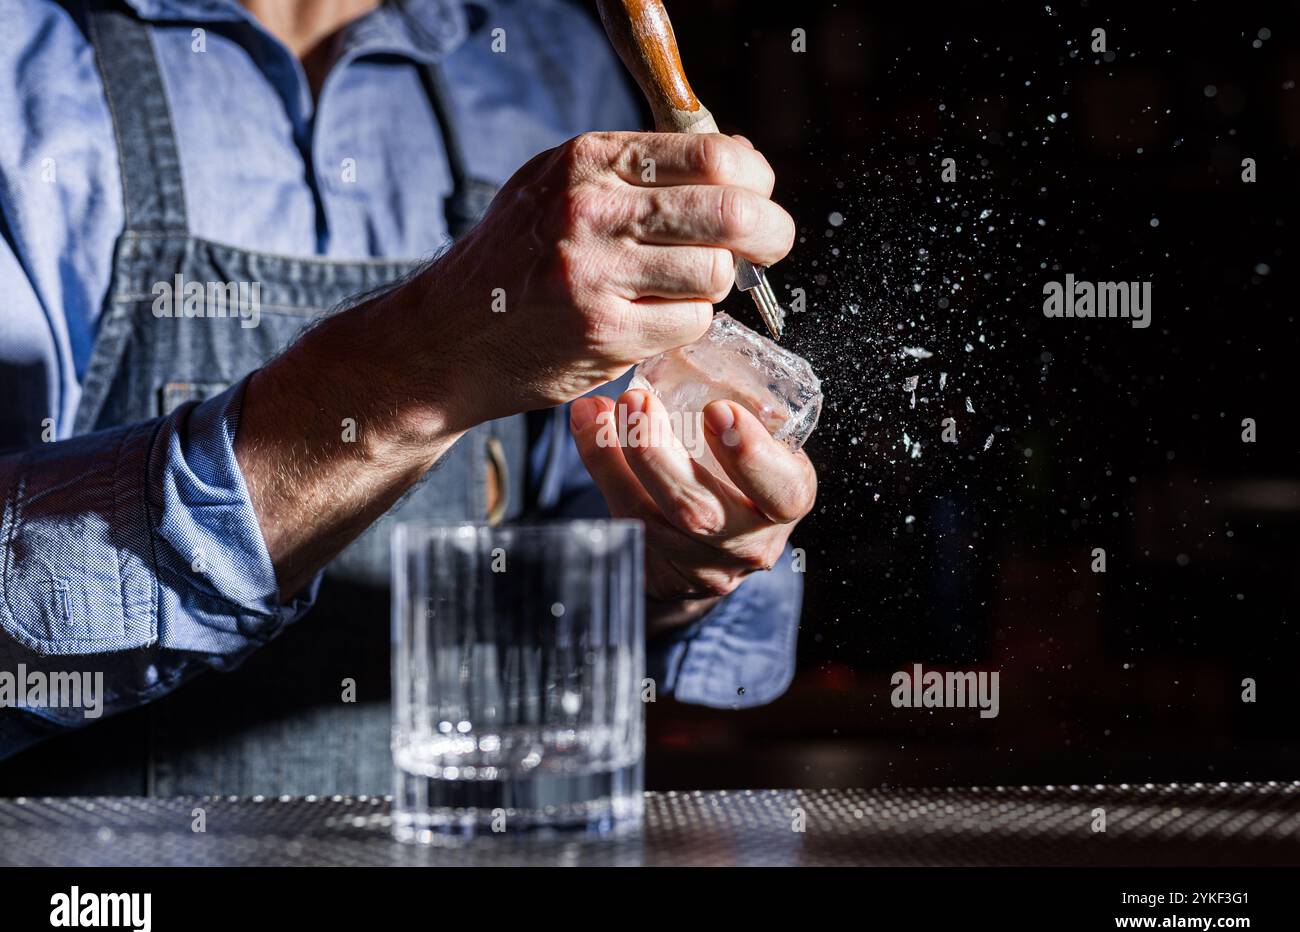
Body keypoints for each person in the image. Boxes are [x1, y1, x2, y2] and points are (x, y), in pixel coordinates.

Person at [0, 0, 815, 795]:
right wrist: (421, 360)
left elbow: (579, 564)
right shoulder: (21, 59)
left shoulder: (542, 59)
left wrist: (667, 564)